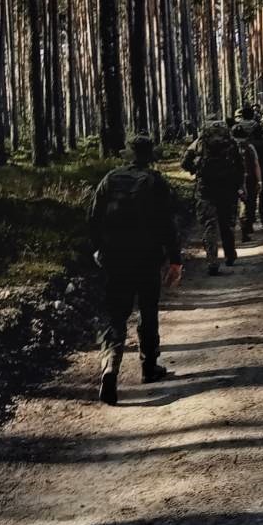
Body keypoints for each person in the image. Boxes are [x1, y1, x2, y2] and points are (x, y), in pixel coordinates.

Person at [88, 134, 183, 404]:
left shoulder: (109, 179)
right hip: (147, 257)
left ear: (127, 156)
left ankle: (110, 364)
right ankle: (149, 366)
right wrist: (175, 259)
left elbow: (93, 218)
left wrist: (98, 249)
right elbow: (168, 224)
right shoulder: (156, 183)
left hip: (115, 258)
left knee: (116, 314)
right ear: (149, 157)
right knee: (148, 310)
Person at [182, 119, 244, 275]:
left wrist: (195, 170)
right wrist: (239, 186)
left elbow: (185, 162)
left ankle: (212, 261)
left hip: (205, 189)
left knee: (210, 225)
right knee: (227, 224)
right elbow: (239, 166)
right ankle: (230, 255)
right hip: (228, 189)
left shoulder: (200, 142)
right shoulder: (231, 142)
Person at [233, 103, 263, 226]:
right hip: (261, 164)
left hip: (240, 167)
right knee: (262, 192)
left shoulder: (236, 128)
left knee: (241, 194)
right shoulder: (258, 128)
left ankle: (245, 220)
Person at [232, 120, 263, 241]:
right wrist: (259, 181)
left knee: (236, 206)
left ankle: (236, 229)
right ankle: (246, 228)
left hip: (233, 180)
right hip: (249, 179)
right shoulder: (249, 146)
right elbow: (256, 164)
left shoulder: (229, 146)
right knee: (249, 204)